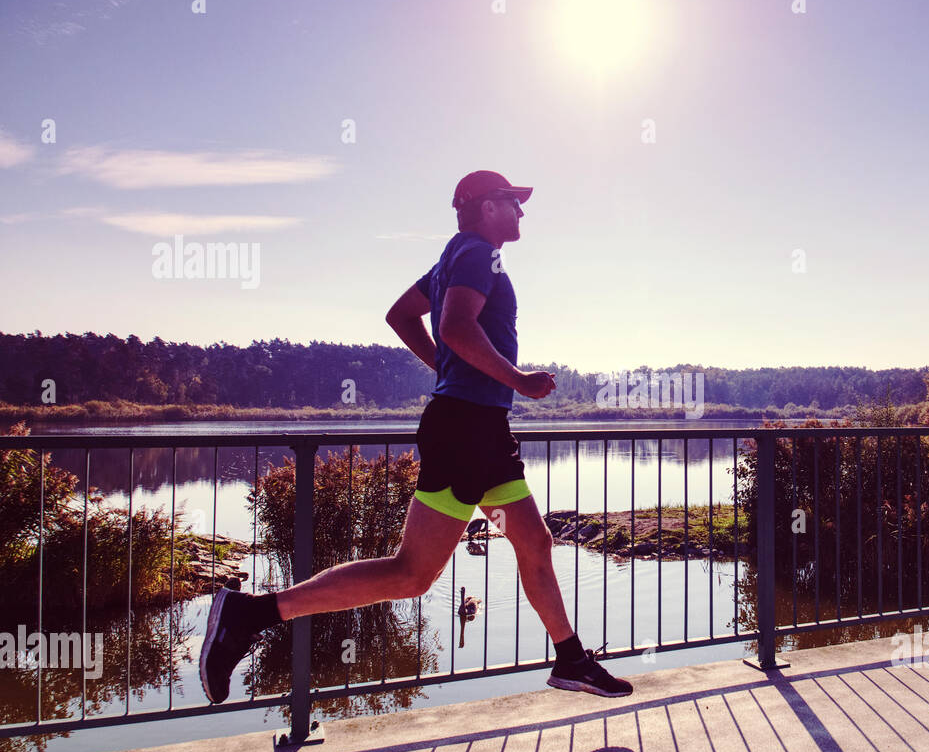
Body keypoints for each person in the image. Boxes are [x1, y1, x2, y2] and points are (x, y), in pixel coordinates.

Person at [200, 170, 632, 704]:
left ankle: (571, 660)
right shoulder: (479, 254)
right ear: (484, 206)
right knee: (412, 573)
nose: (522, 212)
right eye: (512, 202)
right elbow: (452, 327)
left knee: (533, 542)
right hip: (467, 431)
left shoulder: (452, 257)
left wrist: (447, 370)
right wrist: (515, 380)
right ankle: (254, 613)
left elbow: (401, 315)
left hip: (480, 430)